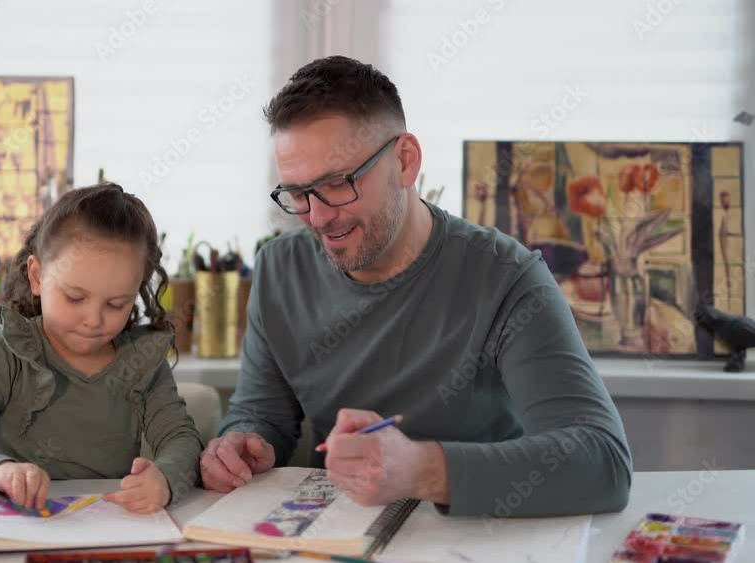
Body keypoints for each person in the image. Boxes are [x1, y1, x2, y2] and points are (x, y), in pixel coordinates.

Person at [200, 56, 632, 517]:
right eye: (298, 193)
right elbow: (263, 416)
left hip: (480, 536)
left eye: (338, 183)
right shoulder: (279, 269)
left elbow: (601, 462)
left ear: (405, 161)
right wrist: (242, 445)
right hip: (338, 532)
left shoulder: (506, 277)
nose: (319, 216)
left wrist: (425, 471)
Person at [0, 184, 202, 514]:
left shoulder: (143, 362)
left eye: (116, 304)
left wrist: (165, 479)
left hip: (108, 530)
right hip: (14, 529)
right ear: (37, 276)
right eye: (75, 298)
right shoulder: (7, 352)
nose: (93, 320)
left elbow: (182, 440)